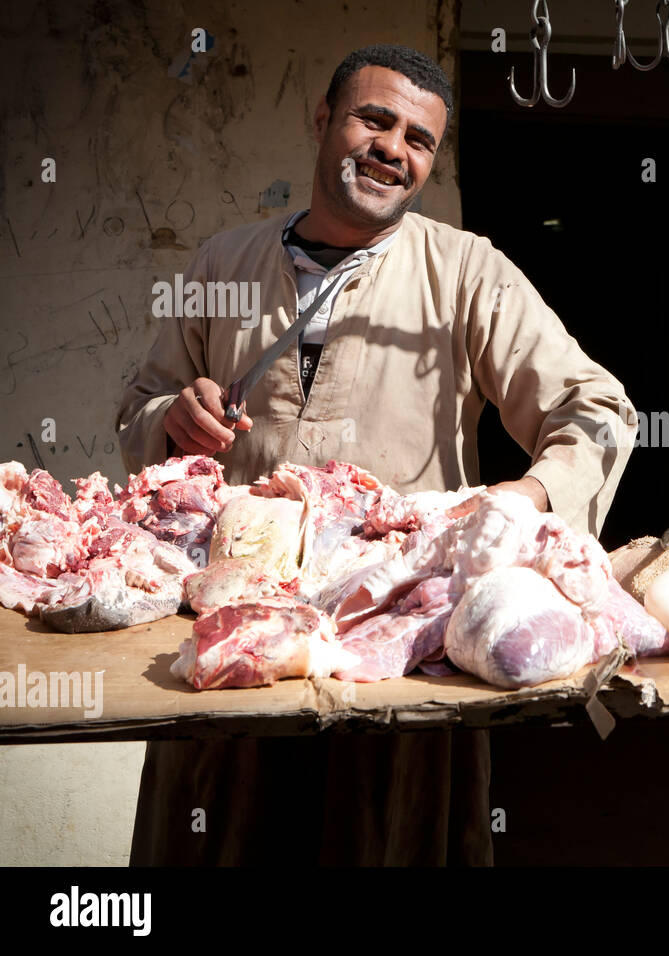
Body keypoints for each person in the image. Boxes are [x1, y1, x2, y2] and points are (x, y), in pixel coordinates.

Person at [117, 44, 637, 865]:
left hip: (398, 658)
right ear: (323, 120)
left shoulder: (469, 271)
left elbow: (599, 409)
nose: (395, 148)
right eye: (374, 119)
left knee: (393, 838)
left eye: (420, 139)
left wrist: (528, 499)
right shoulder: (223, 263)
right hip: (235, 646)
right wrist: (171, 421)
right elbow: (137, 412)